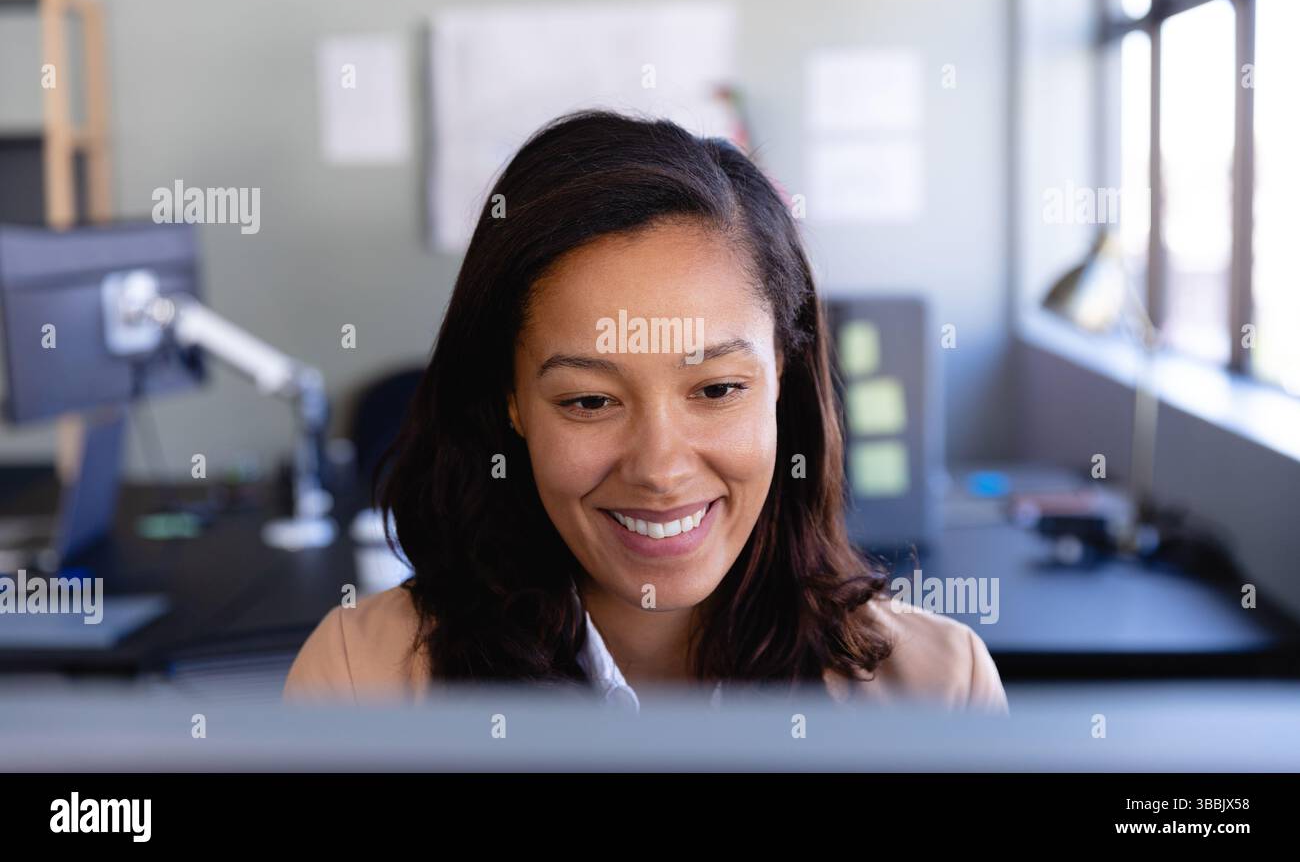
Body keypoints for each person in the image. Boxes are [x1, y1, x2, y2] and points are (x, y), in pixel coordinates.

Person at [284, 109, 1008, 714]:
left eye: (718, 389)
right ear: (511, 401)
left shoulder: (942, 688)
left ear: (781, 377)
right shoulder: (359, 682)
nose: (660, 468)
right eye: (590, 401)